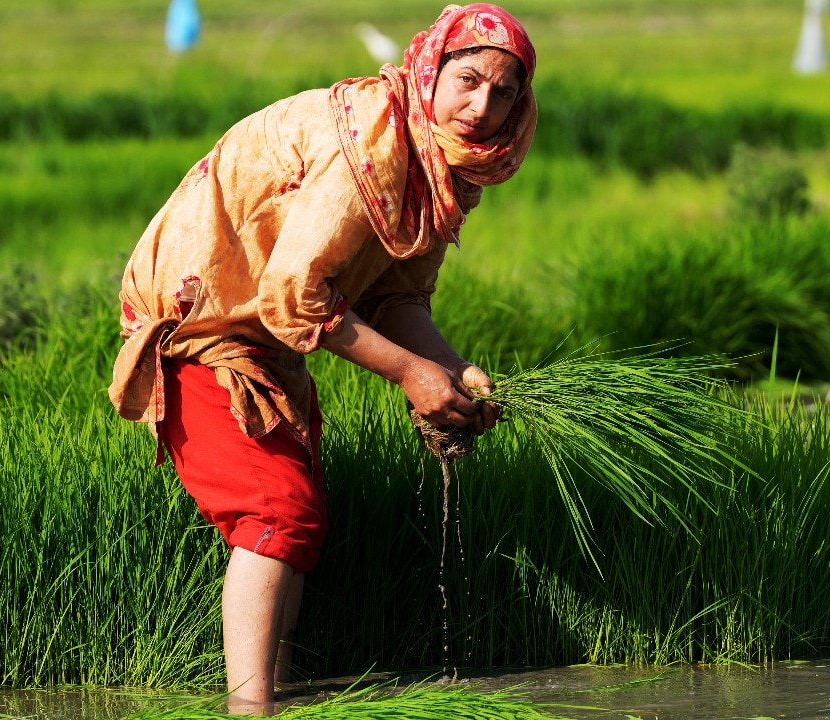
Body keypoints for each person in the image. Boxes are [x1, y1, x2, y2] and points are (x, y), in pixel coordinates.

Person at [108, 4, 536, 714]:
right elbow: (294, 292)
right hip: (205, 325)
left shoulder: (441, 169)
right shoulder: (372, 143)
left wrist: (454, 372)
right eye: (467, 81)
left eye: (503, 93)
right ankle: (252, 708)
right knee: (277, 509)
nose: (481, 107)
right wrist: (407, 372)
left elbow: (398, 301)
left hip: (266, 333)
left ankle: (279, 692)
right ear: (430, 70)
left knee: (296, 519)